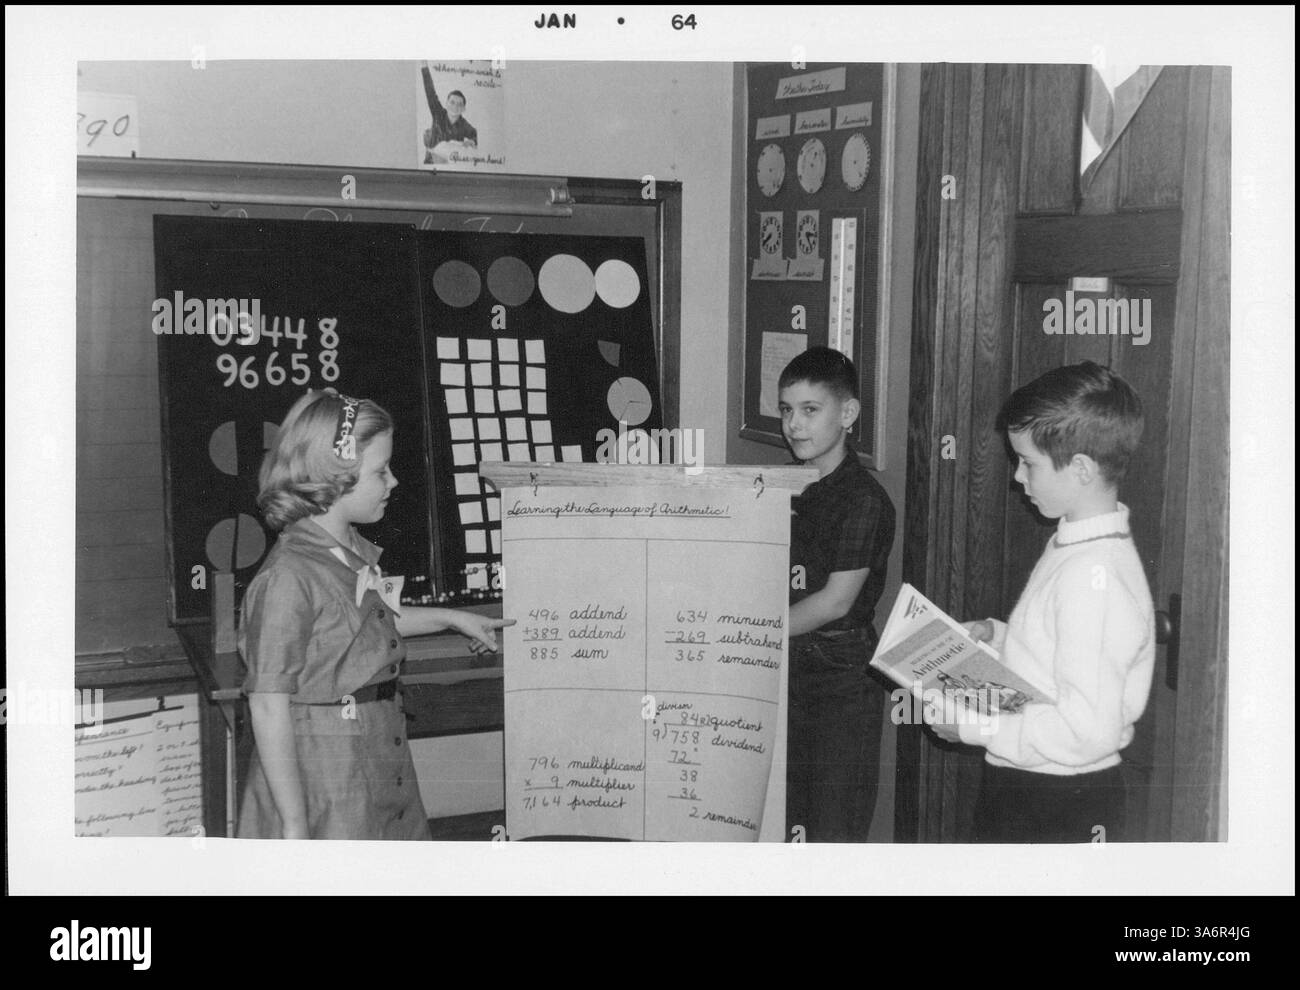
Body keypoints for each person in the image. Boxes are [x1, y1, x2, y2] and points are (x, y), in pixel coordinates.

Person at [237, 388, 511, 840]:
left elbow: (365, 621)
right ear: (336, 476)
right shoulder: (289, 577)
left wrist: (452, 618)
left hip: (377, 753)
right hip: (326, 776)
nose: (394, 482)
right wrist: (293, 824)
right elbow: (268, 705)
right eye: (380, 471)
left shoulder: (344, 554)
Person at [926, 361, 1155, 843]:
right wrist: (1001, 635)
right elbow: (1067, 654)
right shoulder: (1078, 542)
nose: (1017, 476)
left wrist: (974, 728)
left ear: (1081, 469)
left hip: (1058, 797)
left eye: (1028, 462)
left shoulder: (1092, 576)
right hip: (1037, 779)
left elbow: (1085, 731)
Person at [778, 347, 895, 842]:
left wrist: (750, 635)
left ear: (847, 414)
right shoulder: (789, 487)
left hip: (840, 681)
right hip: (789, 673)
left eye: (810, 410)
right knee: (785, 820)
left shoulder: (864, 501)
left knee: (832, 827)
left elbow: (835, 601)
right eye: (786, 410)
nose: (794, 425)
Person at [422, 60, 478, 163]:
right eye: (452, 102)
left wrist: (472, 141)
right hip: (432, 162)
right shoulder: (438, 112)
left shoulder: (464, 125)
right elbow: (430, 92)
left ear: (463, 109)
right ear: (446, 103)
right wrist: (424, 68)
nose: (455, 107)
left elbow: (476, 135)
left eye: (459, 104)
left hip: (452, 165)